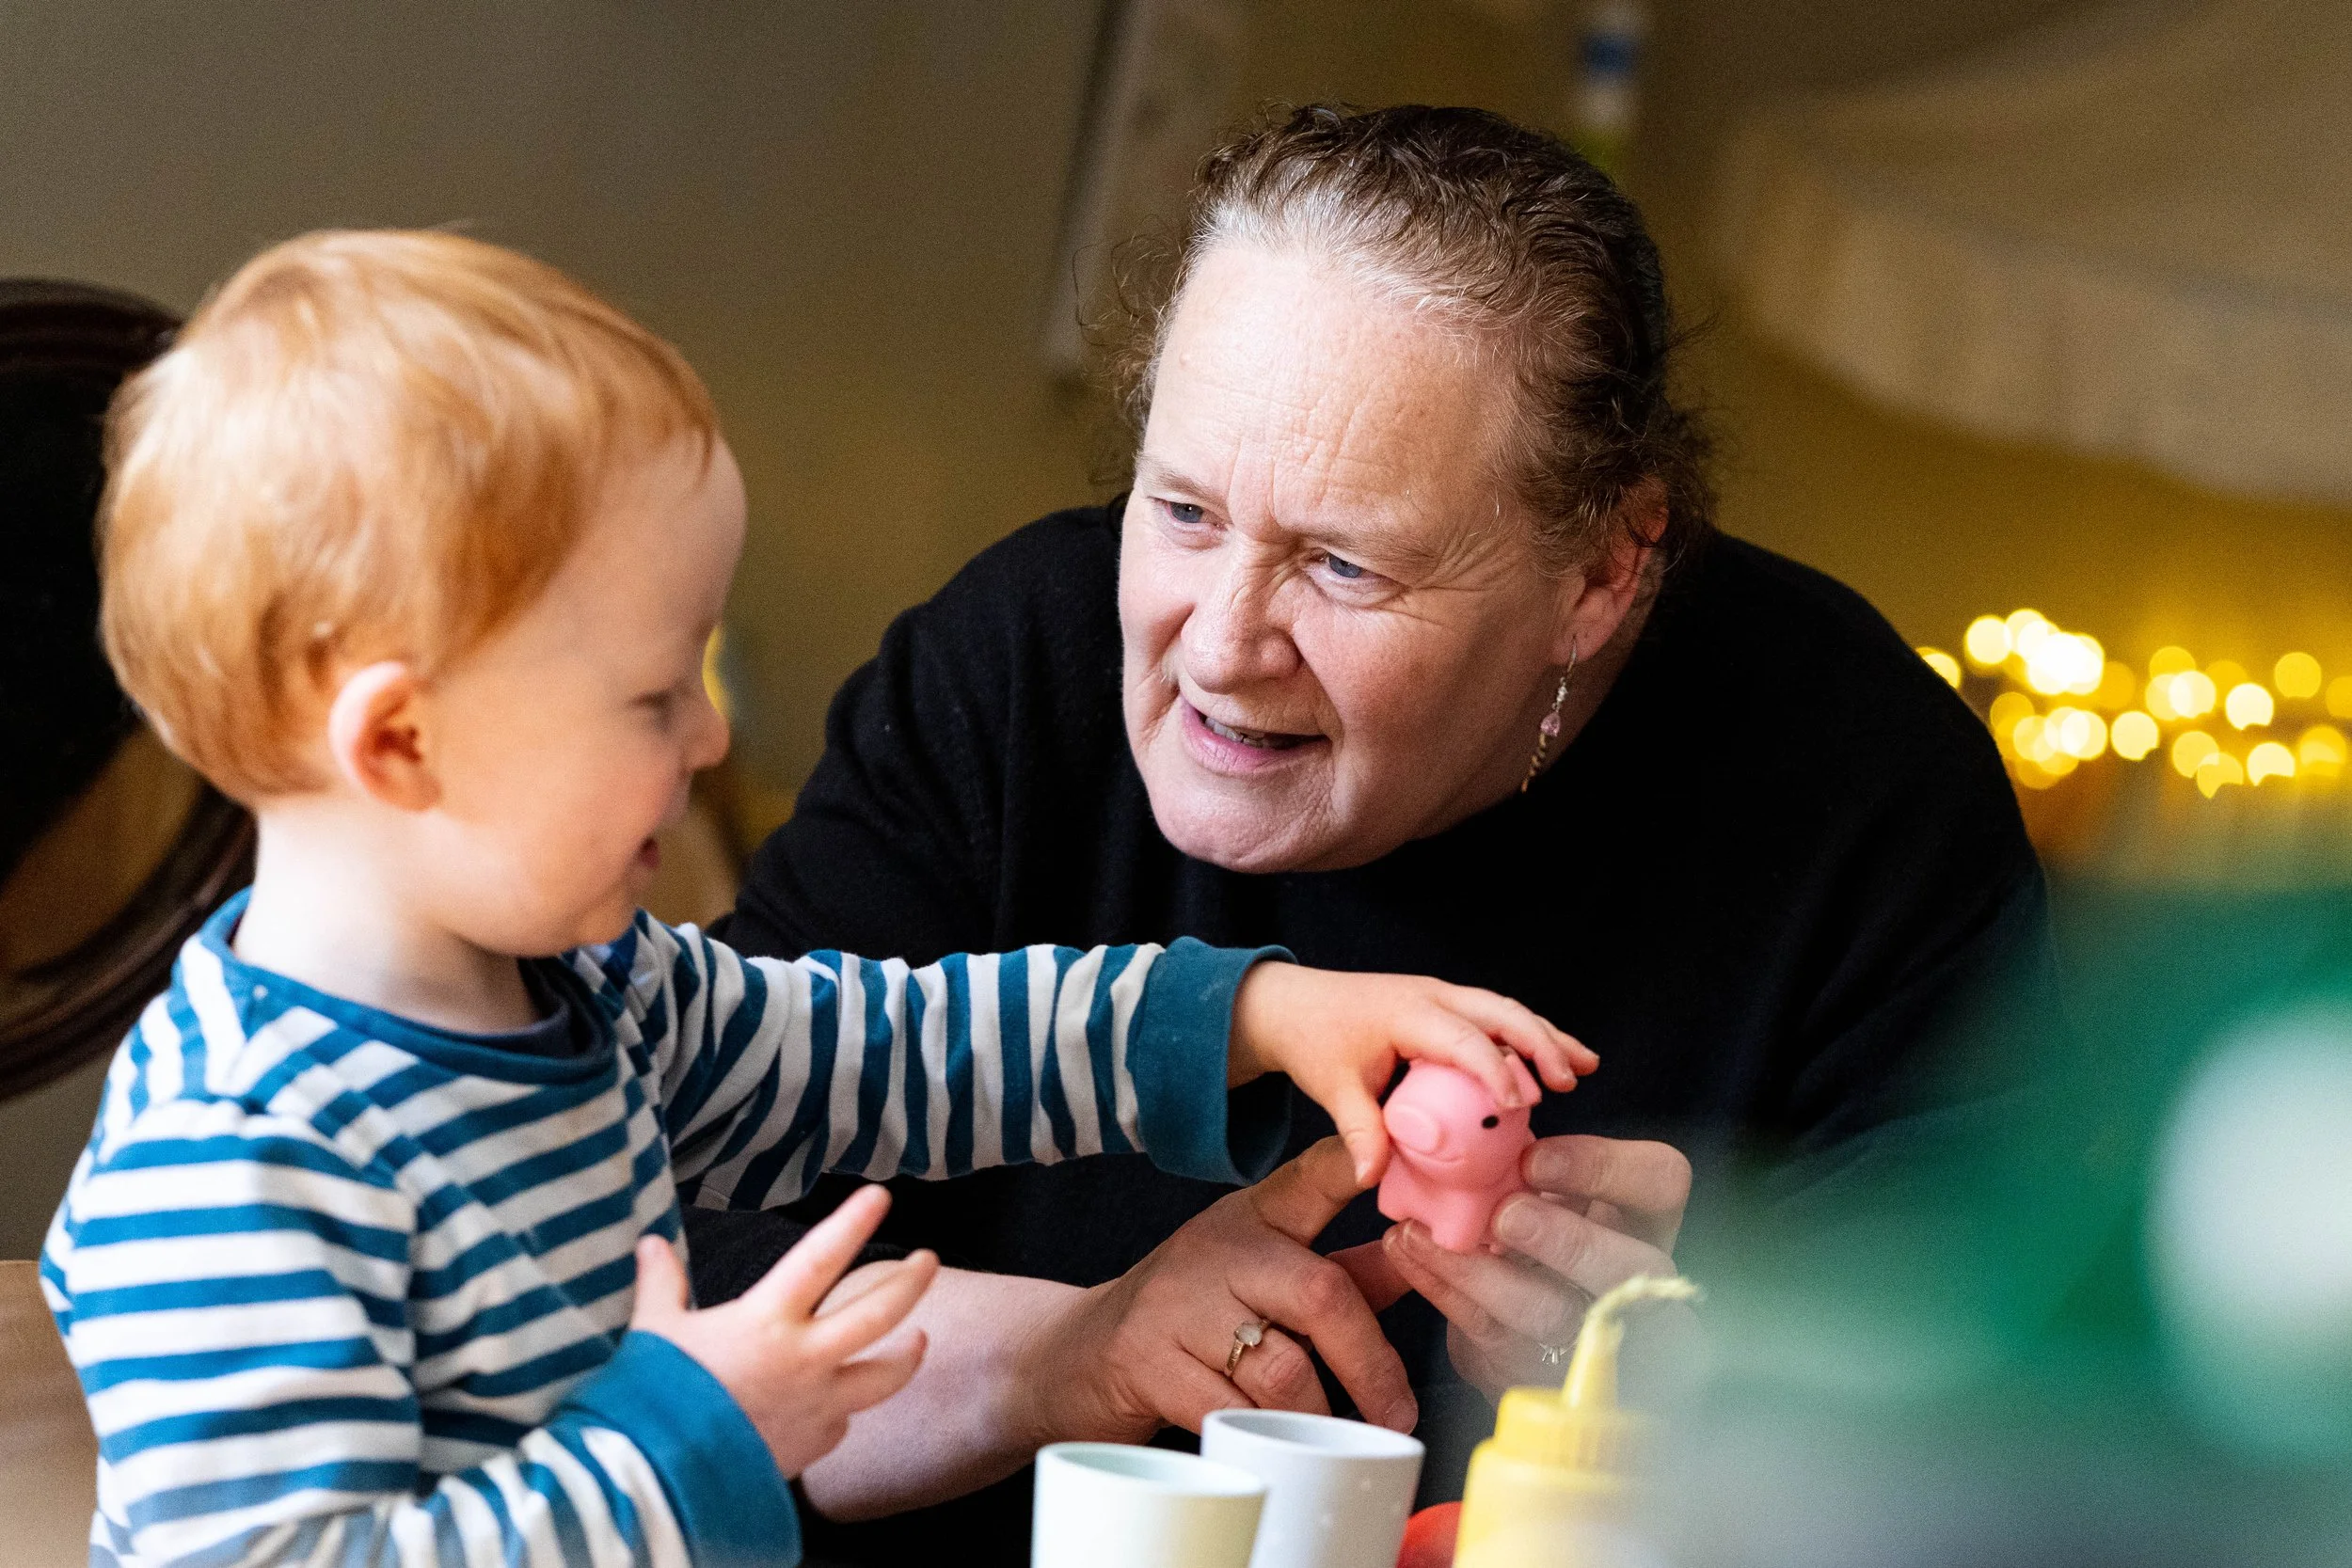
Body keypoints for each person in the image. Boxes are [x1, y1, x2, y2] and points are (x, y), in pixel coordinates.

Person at [40, 229, 1593, 1568]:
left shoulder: (600, 995)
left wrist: (1244, 1014)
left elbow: (897, 1050)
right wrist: (688, 1429)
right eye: (654, 698)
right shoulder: (240, 1163)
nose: (712, 738)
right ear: (400, 740)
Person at [692, 104, 2056, 1560]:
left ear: (1603, 570)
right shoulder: (1015, 672)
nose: (1218, 647)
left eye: (1345, 563)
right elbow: (695, 1274)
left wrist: (1701, 1362)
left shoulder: (1864, 787)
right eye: (1185, 510)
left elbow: (2038, 1443)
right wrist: (1080, 1348)